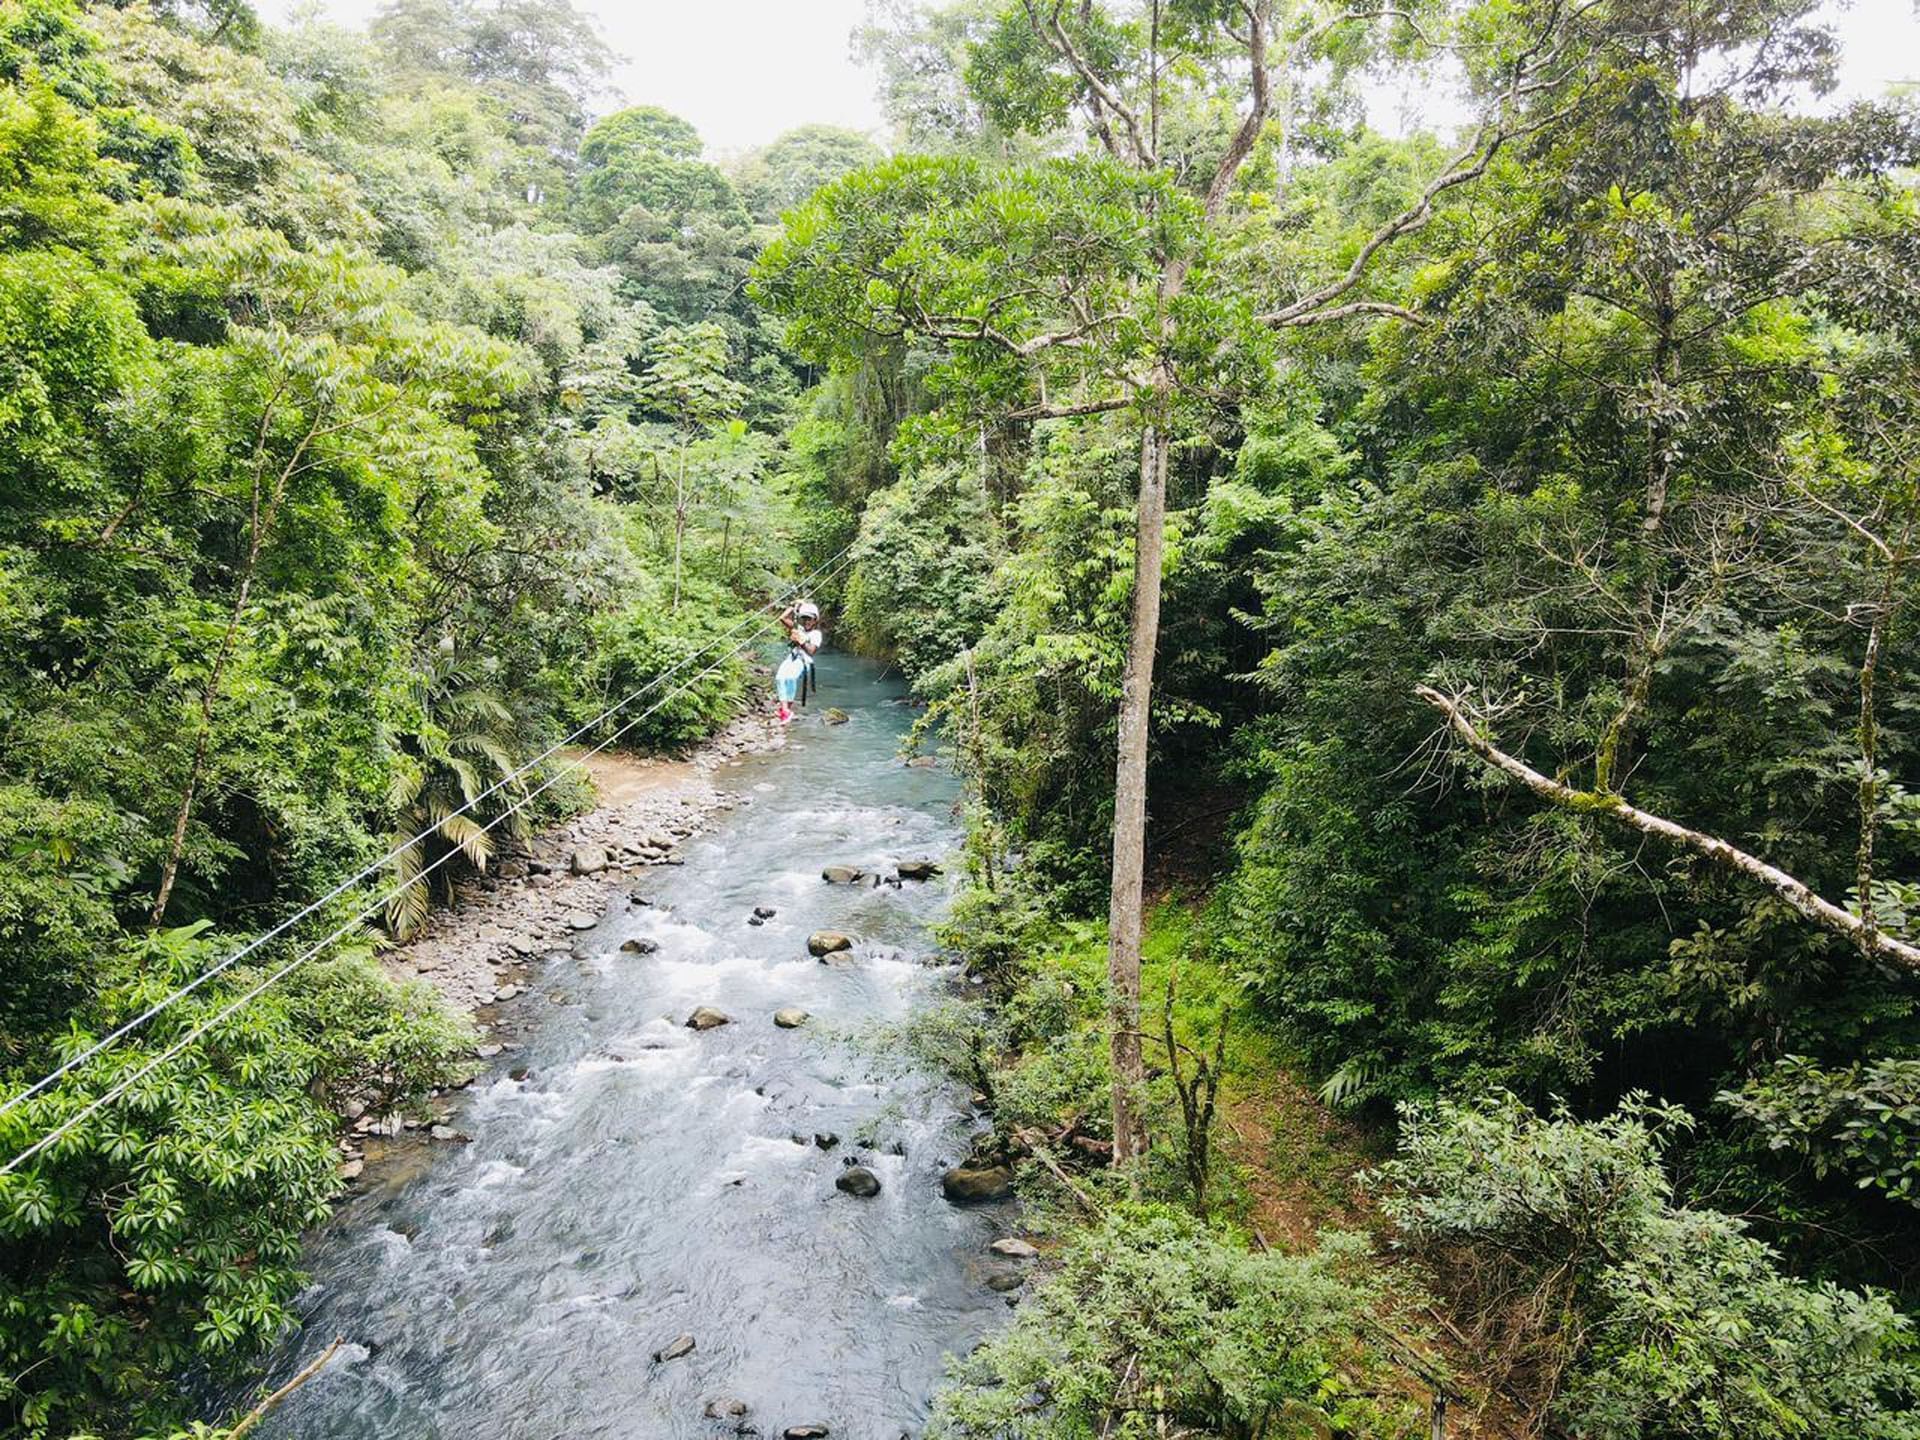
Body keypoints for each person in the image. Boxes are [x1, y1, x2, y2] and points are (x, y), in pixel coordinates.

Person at [775, 600, 823, 723]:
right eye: (804, 618)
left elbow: (811, 651)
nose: (807, 621)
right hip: (792, 657)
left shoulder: (816, 634)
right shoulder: (798, 628)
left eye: (809, 619)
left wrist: (801, 641)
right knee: (780, 678)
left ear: (815, 620)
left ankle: (786, 710)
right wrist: (794, 606)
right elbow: (782, 618)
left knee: (790, 678)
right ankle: (784, 710)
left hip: (804, 660)